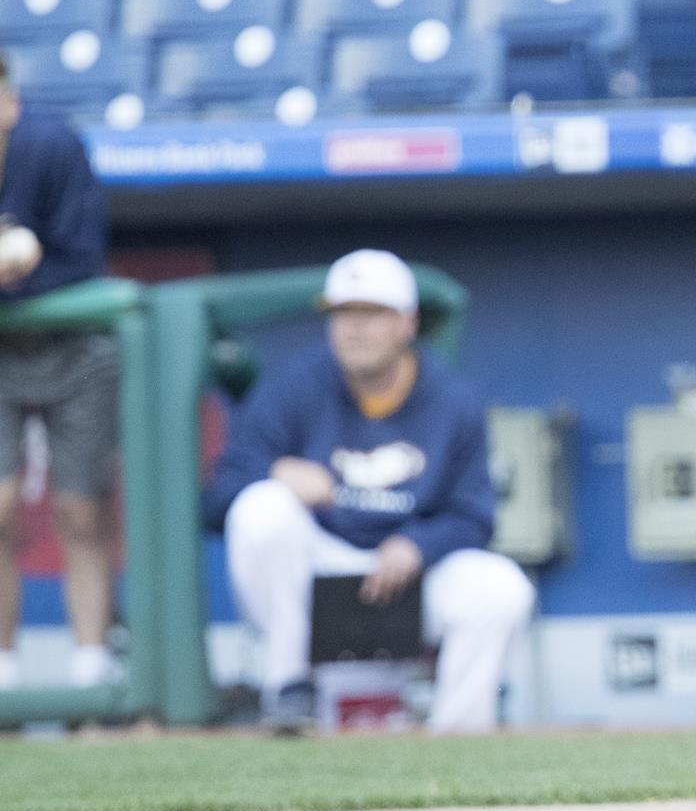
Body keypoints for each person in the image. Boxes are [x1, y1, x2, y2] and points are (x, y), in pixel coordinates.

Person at [202, 249, 535, 731]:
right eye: (342, 314)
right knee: (263, 506)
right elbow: (217, 497)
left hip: (404, 579)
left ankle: (460, 736)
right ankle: (289, 688)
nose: (353, 328)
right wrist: (275, 472)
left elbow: (474, 516)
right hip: (315, 573)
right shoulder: (296, 384)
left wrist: (419, 544)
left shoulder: (453, 399)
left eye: (371, 314)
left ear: (407, 323)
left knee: (500, 587)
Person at [0, 50, 119, 689]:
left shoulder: (50, 147)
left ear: (9, 103)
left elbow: (82, 262)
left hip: (74, 348)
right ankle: (4, 674)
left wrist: (16, 271)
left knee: (80, 510)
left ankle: (89, 670)